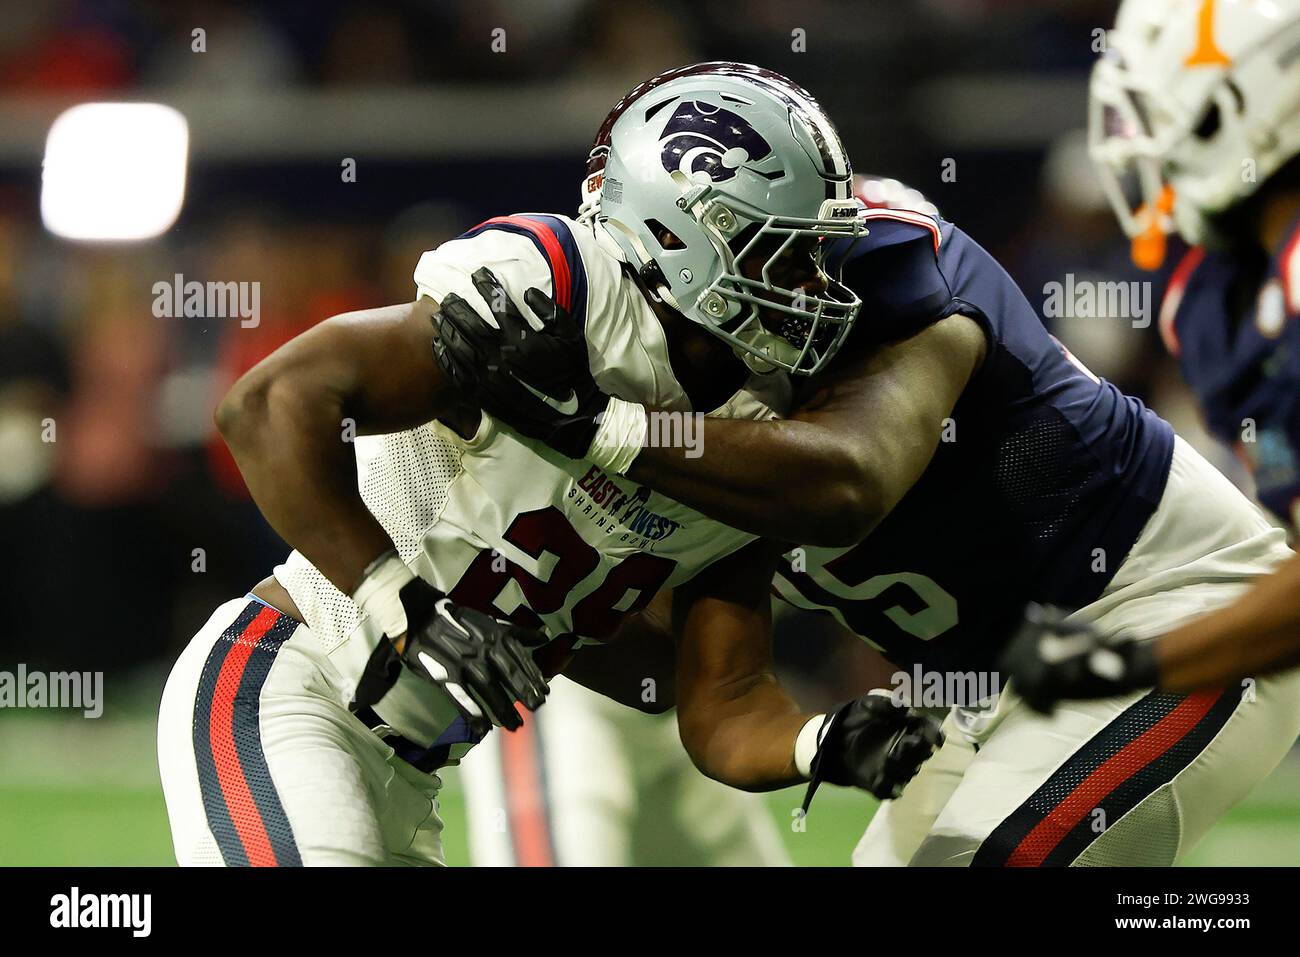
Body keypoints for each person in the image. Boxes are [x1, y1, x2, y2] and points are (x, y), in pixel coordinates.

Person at [156, 62, 938, 867]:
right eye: (783, 252)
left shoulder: (755, 430)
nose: (812, 284)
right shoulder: (563, 293)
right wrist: (400, 599)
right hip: (285, 686)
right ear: (680, 232)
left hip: (412, 774)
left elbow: (713, 696)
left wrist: (819, 741)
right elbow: (269, 404)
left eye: (815, 254)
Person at [1003, 0, 1300, 706]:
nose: (1149, 150)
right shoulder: (1218, 303)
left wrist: (1127, 660)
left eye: (1160, 116)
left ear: (1231, 107)